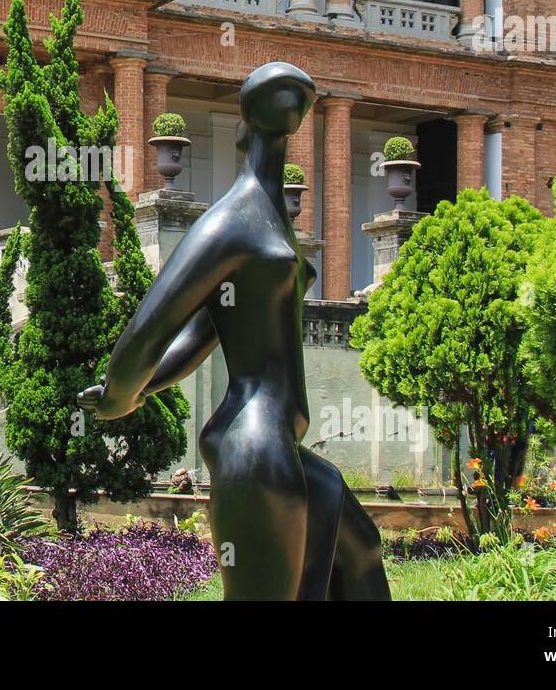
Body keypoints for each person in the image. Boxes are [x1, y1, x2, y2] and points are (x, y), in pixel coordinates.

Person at [78, 61, 389, 600]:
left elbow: (204, 331)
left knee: (362, 552)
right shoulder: (231, 221)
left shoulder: (271, 218)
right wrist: (121, 393)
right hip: (254, 448)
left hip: (281, 444)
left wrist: (141, 387)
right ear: (244, 130)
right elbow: (149, 326)